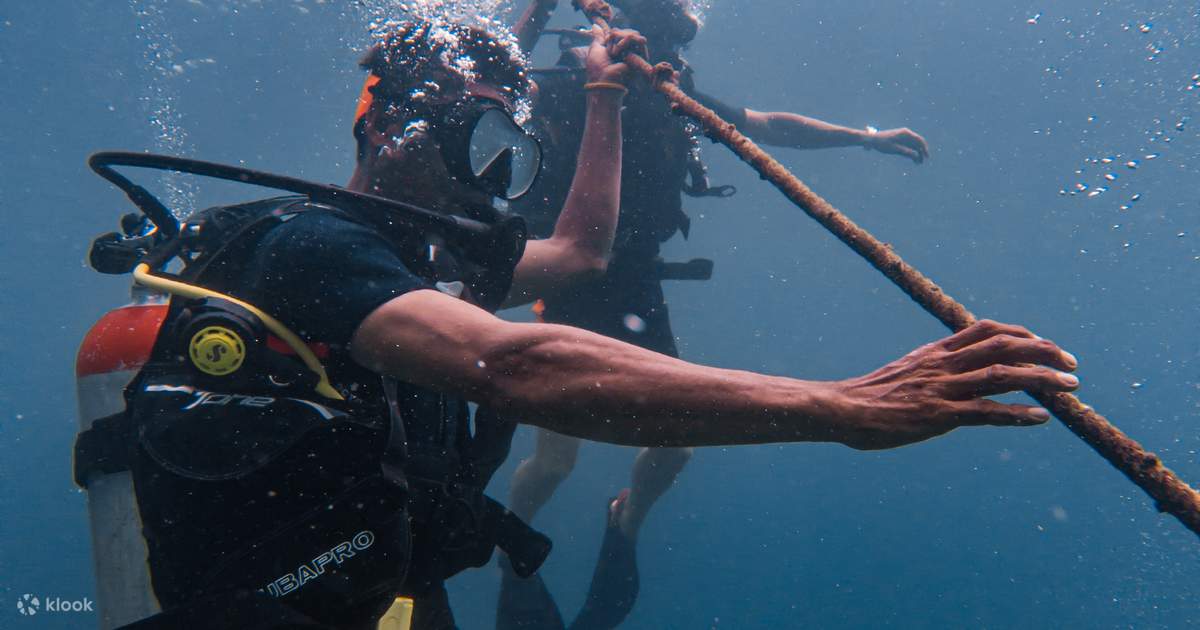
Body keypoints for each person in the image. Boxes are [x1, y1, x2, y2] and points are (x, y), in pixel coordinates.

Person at [91, 16, 1077, 630]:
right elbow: (511, 364)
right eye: (476, 138)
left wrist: (603, 98)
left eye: (507, 154)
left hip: (376, 590)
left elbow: (579, 260)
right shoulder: (313, 249)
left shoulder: (409, 269)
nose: (491, 180)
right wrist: (836, 405)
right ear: (387, 125)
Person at [502, 1, 931, 625]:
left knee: (677, 448)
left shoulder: (669, 91)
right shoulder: (567, 85)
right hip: (566, 282)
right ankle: (512, 540)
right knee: (557, 458)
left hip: (635, 284)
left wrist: (866, 138)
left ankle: (625, 521)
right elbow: (497, 73)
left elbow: (767, 124)